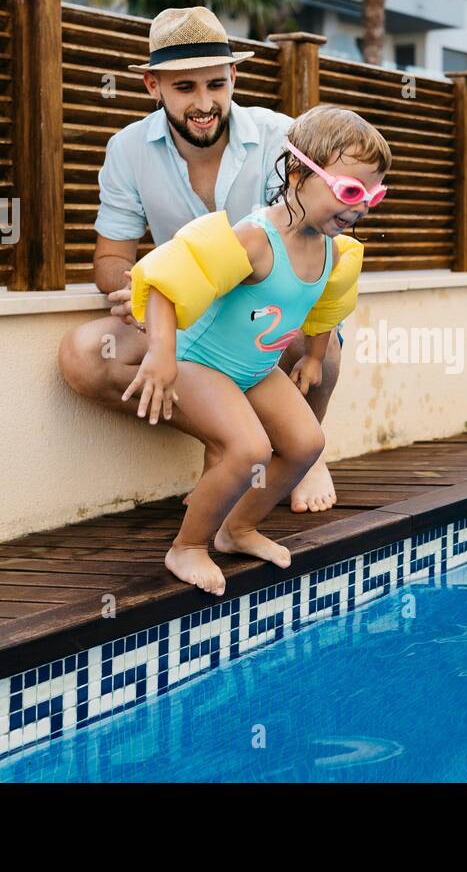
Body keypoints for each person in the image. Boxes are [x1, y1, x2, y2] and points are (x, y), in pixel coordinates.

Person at [57, 6, 345, 512]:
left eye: (216, 83)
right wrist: (136, 292)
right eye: (185, 88)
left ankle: (304, 449)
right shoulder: (126, 149)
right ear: (153, 86)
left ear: (234, 76)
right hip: (187, 317)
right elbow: (110, 256)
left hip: (262, 315)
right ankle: (225, 437)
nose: (205, 103)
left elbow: (320, 234)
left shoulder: (284, 137)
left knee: (322, 344)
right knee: (83, 355)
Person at [124, 105, 390, 594]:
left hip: (256, 367)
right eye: (349, 191)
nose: (360, 208)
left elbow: (324, 310)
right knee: (249, 450)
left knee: (306, 445)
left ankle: (237, 529)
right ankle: (187, 546)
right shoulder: (255, 239)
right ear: (296, 173)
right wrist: (160, 353)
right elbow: (165, 279)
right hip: (197, 362)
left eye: (373, 195)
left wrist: (313, 356)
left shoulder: (332, 251)